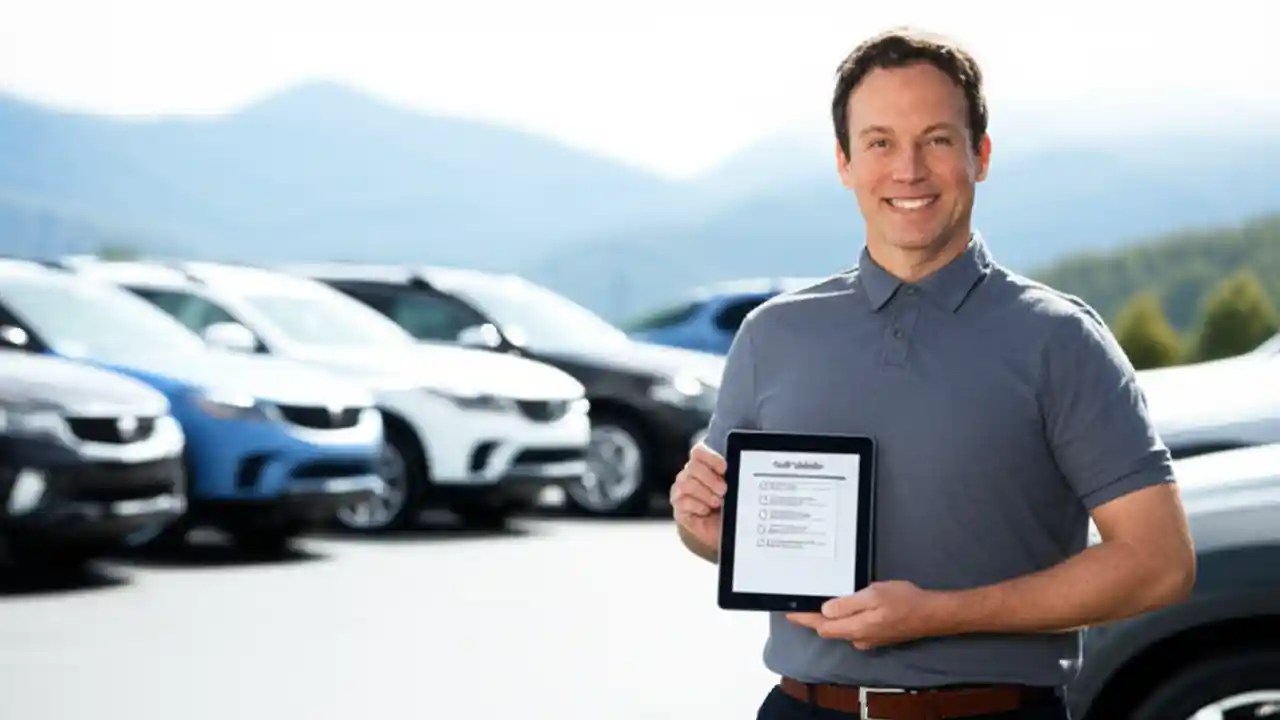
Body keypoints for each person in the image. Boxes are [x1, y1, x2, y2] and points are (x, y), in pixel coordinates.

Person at [670, 26, 1196, 720]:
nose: (907, 170)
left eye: (937, 140)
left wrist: (939, 614)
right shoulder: (774, 334)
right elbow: (730, 537)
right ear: (844, 161)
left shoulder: (1060, 339)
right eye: (881, 142)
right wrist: (702, 525)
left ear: (979, 155)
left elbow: (1159, 564)